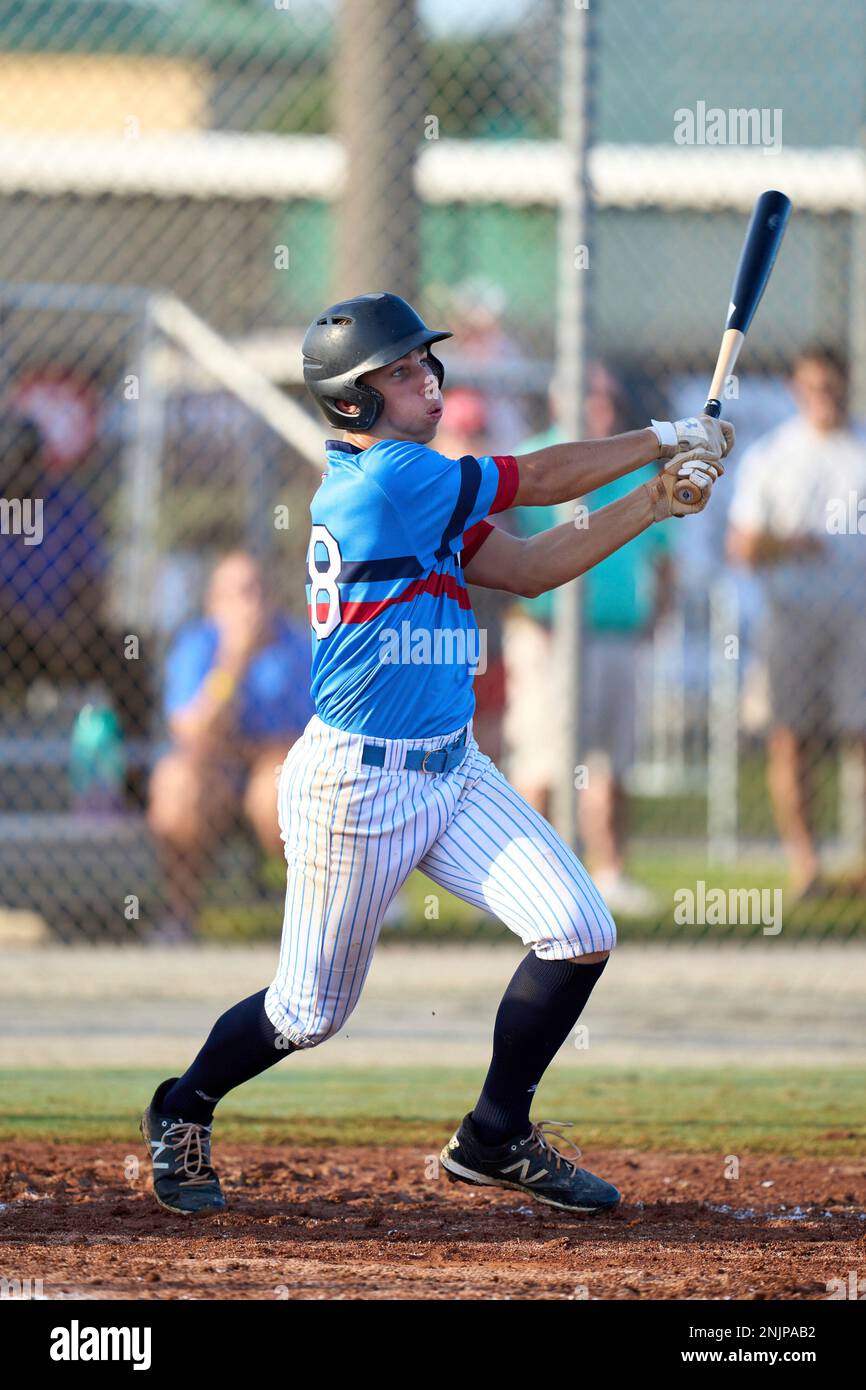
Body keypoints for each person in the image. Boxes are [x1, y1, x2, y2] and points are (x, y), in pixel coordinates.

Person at [140, 292, 732, 1216]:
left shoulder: (416, 488)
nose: (428, 378)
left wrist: (654, 503)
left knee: (580, 929)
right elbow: (534, 480)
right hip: (356, 786)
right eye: (403, 370)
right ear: (353, 401)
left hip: (450, 768)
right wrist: (664, 435)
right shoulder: (388, 483)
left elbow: (531, 568)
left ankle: (495, 1135)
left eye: (425, 363)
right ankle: (183, 1107)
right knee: (307, 1015)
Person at [503, 365, 675, 914]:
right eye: (589, 396)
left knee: (611, 763)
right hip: (546, 635)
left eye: (608, 396)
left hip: (614, 636)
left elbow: (664, 554)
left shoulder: (631, 464)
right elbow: (506, 548)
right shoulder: (533, 459)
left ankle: (610, 873)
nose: (602, 405)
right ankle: (531, 882)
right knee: (541, 761)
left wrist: (657, 615)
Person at [726, 346, 866, 898]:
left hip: (858, 614)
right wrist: (789, 544)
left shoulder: (860, 451)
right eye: (812, 388)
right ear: (796, 391)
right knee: (791, 739)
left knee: (861, 737)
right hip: (791, 615)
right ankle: (806, 866)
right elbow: (742, 545)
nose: (823, 398)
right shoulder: (774, 456)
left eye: (831, 386)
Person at [147, 551, 314, 943]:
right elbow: (192, 736)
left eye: (258, 590)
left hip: (269, 770)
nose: (251, 603)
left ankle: (311, 924)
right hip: (213, 776)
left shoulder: (297, 646)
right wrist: (233, 662)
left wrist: (246, 750)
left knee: (278, 786)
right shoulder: (197, 645)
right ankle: (179, 918)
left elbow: (313, 737)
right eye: (238, 593)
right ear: (214, 604)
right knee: (176, 785)